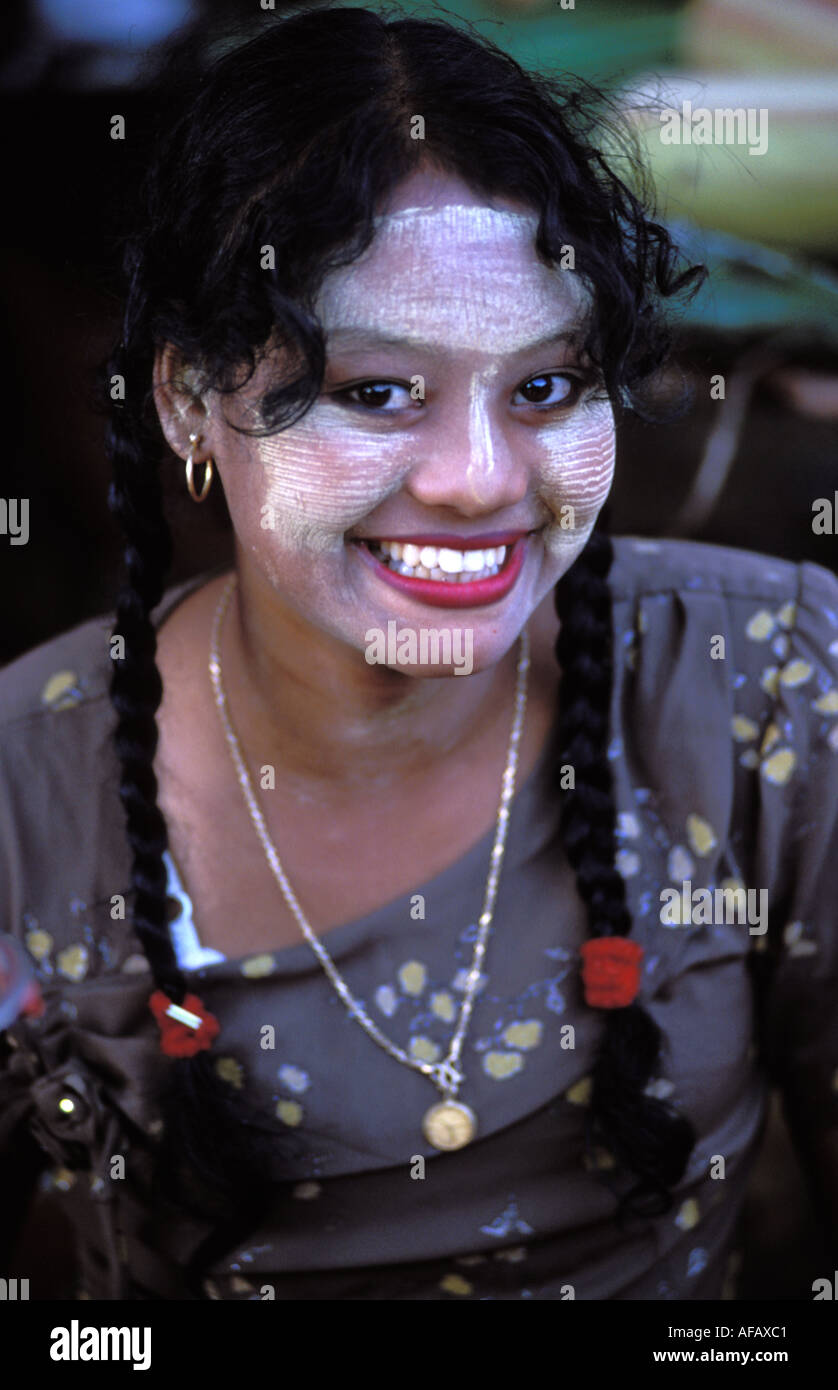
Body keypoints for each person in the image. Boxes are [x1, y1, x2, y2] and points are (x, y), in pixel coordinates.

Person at [1, 5, 837, 1302]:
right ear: (186, 401)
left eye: (546, 387)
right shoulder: (24, 782)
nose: (476, 481)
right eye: (377, 390)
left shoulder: (769, 680)